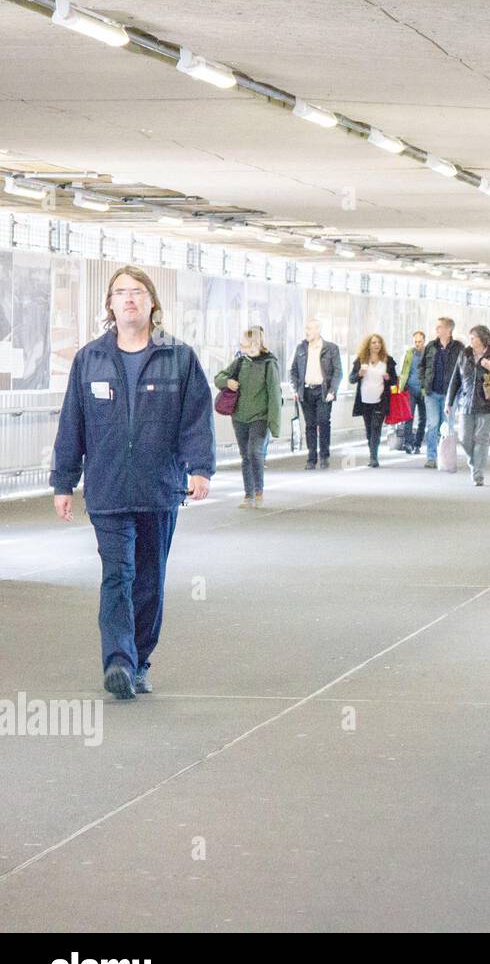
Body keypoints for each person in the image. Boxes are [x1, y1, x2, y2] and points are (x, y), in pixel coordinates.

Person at [50, 265, 216, 700]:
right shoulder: (90, 358)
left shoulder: (178, 357)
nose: (128, 299)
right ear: (109, 304)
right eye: (120, 292)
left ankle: (140, 659)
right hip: (107, 490)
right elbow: (73, 423)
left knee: (148, 579)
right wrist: (63, 482)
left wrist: (200, 468)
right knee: (117, 574)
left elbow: (196, 419)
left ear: (152, 302)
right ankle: (118, 662)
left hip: (159, 489)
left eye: (137, 292)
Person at [214, 325, 282, 508]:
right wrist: (227, 382)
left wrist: (274, 425)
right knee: (245, 455)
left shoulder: (269, 364)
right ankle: (248, 495)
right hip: (239, 417)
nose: (242, 347)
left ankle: (258, 492)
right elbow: (218, 378)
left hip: (260, 417)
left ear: (255, 343)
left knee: (255, 452)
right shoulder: (240, 361)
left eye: (245, 344)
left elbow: (274, 395)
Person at [445, 325, 490, 486]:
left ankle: (478, 474)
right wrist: (449, 402)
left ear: (482, 339)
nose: (470, 340)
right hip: (466, 403)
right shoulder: (464, 354)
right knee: (465, 439)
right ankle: (475, 463)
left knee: (481, 439)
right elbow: (455, 380)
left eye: (473, 337)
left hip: (487, 404)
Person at [289, 319, 342, 470]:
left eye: (309, 329)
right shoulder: (301, 348)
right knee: (310, 425)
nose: (306, 332)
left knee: (323, 422)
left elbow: (338, 372)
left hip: (323, 391)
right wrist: (294, 389)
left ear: (318, 330)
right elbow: (293, 371)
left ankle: (324, 455)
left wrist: (333, 390)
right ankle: (311, 458)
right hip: (305, 392)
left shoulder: (331, 348)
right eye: (306, 329)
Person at [418, 317, 463, 469]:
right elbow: (422, 366)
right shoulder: (431, 346)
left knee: (447, 425)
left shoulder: (459, 348)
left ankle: (447, 458)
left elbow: (463, 370)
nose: (437, 329)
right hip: (432, 393)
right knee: (432, 424)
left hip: (450, 395)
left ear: (449, 330)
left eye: (440, 327)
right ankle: (431, 457)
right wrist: (424, 385)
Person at [349, 334, 398, 467]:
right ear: (368, 345)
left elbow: (395, 380)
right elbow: (351, 379)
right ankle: (372, 454)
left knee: (376, 427)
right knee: (369, 430)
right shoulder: (361, 360)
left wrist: (389, 378)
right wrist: (359, 374)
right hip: (365, 401)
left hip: (381, 400)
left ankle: (373, 458)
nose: (376, 345)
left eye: (379, 343)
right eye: (373, 343)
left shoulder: (387, 360)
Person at [397, 330, 426, 452]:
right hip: (410, 389)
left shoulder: (428, 353)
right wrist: (401, 386)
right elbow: (404, 370)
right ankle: (408, 443)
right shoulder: (409, 353)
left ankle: (418, 444)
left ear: (424, 341)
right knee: (408, 417)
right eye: (415, 341)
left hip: (424, 390)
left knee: (423, 419)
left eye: (420, 341)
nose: (417, 344)